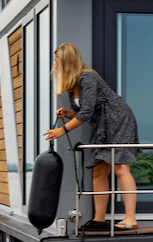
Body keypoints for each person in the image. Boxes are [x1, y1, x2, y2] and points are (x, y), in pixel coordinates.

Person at [43, 43, 139, 231]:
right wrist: (68, 113)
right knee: (99, 170)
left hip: (118, 120)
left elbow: (86, 112)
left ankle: (131, 218)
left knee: (120, 166)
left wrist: (62, 131)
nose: (55, 66)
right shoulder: (73, 84)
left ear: (67, 62)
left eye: (57, 62)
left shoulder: (88, 77)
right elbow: (84, 111)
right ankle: (99, 219)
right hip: (102, 124)